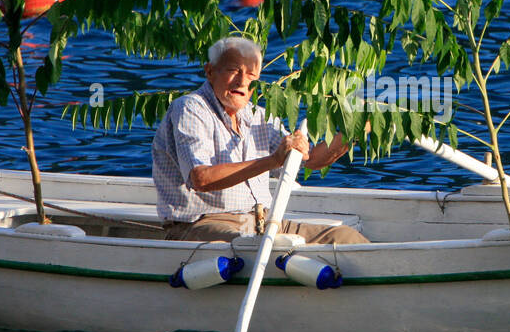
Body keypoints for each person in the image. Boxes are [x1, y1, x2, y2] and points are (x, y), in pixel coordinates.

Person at [153, 37, 368, 244]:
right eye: (234, 70)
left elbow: (309, 161)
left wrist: (356, 130)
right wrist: (274, 160)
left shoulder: (258, 115)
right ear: (210, 71)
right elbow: (201, 179)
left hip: (260, 221)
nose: (242, 80)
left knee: (345, 237)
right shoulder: (190, 108)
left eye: (251, 74)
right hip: (202, 224)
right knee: (258, 245)